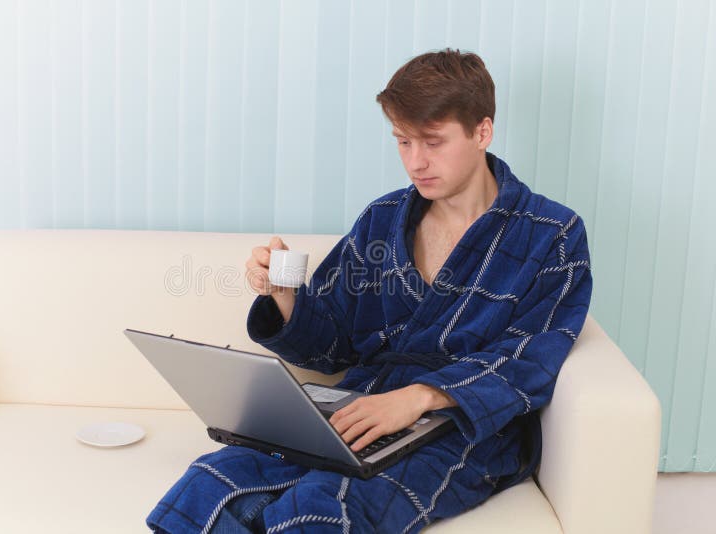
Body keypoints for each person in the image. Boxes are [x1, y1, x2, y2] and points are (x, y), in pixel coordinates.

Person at [146, 48, 593, 534]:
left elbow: (531, 359)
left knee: (323, 504)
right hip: (364, 401)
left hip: (467, 426)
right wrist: (285, 295)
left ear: (482, 132)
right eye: (403, 141)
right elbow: (332, 346)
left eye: (433, 142)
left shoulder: (552, 233)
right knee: (210, 482)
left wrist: (421, 397)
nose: (416, 162)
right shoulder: (383, 219)